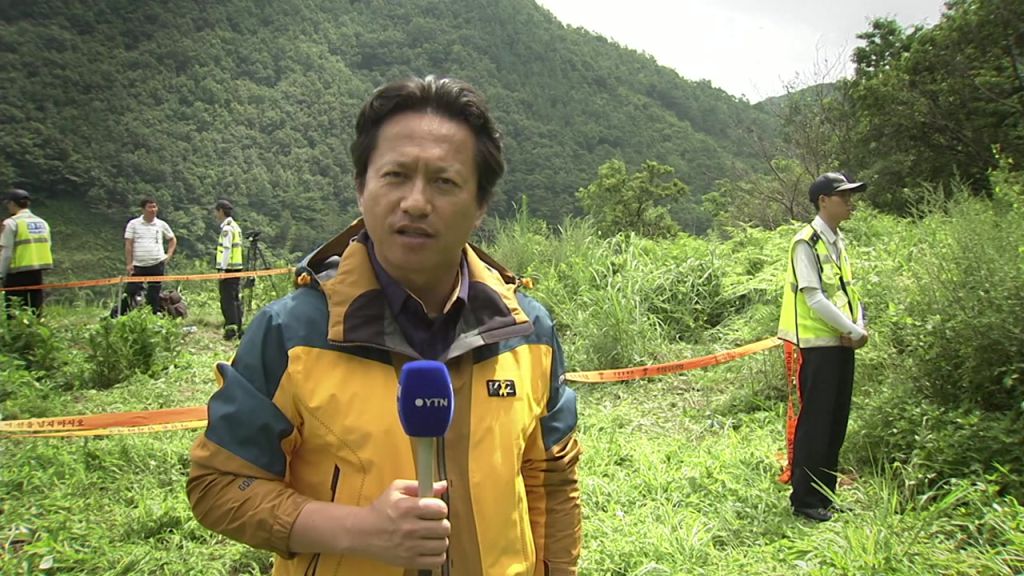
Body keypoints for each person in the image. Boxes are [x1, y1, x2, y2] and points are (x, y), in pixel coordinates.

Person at [187, 75, 581, 575]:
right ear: (361, 188)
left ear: (480, 205)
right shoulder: (294, 333)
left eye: (444, 182)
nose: (415, 202)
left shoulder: (527, 331)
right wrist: (361, 530)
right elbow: (220, 484)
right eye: (395, 175)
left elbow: (552, 479)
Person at [777, 172, 870, 522]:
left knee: (835, 423)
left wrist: (857, 328)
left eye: (850, 196)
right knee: (816, 423)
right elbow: (814, 297)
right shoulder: (806, 242)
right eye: (843, 196)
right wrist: (854, 331)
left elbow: (848, 291)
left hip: (842, 342)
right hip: (816, 346)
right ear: (823, 201)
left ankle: (826, 496)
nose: (850, 202)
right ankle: (805, 499)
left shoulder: (837, 241)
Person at [0, 189, 53, 316]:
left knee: (14, 312)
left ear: (12, 203)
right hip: (37, 273)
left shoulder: (11, 223)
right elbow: (48, 244)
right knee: (35, 310)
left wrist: (1, 274)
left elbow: (6, 253)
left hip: (16, 274)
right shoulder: (42, 222)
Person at [124, 197, 176, 314]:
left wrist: (168, 255)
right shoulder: (133, 224)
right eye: (150, 207)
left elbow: (172, 239)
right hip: (138, 264)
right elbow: (128, 244)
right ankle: (122, 315)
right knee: (130, 291)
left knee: (154, 293)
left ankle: (152, 316)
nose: (153, 210)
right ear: (143, 209)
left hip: (157, 264)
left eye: (154, 207)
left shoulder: (161, 224)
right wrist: (129, 263)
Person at [213, 199, 244, 340]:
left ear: (220, 211)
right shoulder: (235, 226)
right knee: (235, 299)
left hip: (229, 269)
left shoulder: (227, 229)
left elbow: (226, 250)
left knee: (227, 301)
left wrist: (222, 270)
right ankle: (238, 328)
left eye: (216, 211)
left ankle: (231, 330)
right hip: (236, 268)